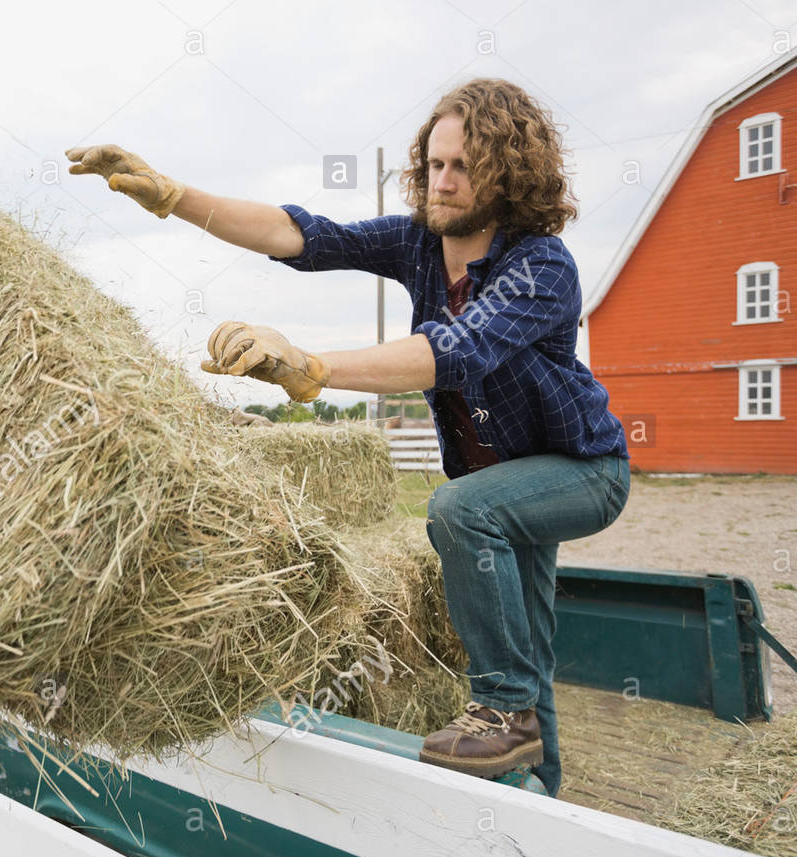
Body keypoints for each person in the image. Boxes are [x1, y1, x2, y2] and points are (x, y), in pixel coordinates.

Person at [65, 77, 630, 799]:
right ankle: (539, 800)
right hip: (506, 479)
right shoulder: (420, 244)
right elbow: (304, 235)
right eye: (435, 165)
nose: (444, 182)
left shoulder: (541, 265)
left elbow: (456, 350)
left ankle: (504, 711)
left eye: (464, 167)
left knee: (460, 512)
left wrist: (314, 367)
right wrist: (174, 197)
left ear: (509, 172)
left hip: (582, 470)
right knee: (530, 643)